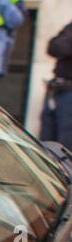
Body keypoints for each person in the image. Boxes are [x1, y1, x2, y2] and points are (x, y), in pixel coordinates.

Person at [41, 18, 72, 149]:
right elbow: (53, 47)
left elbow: (63, 47)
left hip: (69, 90)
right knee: (47, 136)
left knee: (65, 138)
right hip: (57, 87)